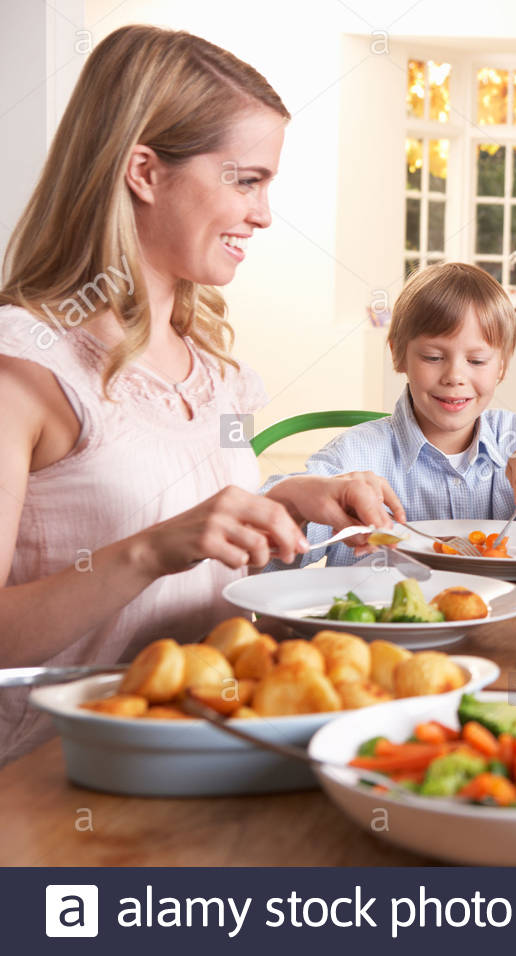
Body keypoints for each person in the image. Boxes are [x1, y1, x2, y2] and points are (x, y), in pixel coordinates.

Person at [0, 25, 400, 763]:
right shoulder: (23, 366)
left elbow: (206, 513)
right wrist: (151, 551)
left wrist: (295, 499)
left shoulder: (218, 374)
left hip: (217, 759)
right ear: (145, 172)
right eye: (245, 180)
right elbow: (163, 535)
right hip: (56, 782)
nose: (263, 214)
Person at [268, 262, 516, 567]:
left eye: (476, 361)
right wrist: (302, 496)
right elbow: (268, 555)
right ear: (399, 355)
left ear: (502, 367)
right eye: (433, 357)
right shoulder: (355, 455)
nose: (454, 376)